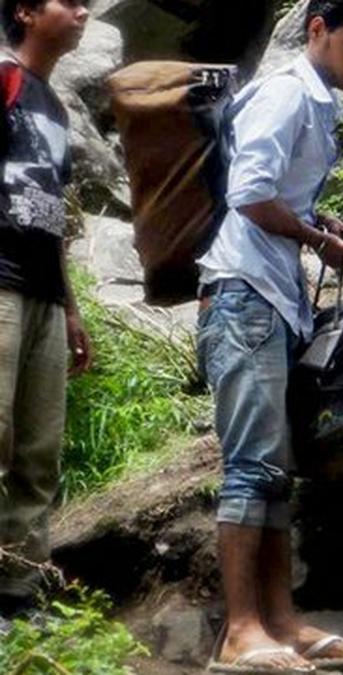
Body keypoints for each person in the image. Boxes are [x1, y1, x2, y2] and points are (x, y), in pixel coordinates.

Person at [195, 1, 343, 671]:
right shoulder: (285, 93)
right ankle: (240, 629)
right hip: (244, 293)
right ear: (316, 32)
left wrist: (321, 224)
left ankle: (280, 620)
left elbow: (280, 192)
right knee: (251, 466)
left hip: (272, 297)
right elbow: (250, 193)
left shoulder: (315, 101)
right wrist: (317, 241)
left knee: (274, 471)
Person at [0, 0, 92, 615]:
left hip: (42, 293)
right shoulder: (3, 79)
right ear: (28, 12)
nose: (84, 12)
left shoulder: (55, 106)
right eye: (71, 2)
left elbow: (54, 214)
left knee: (38, 451)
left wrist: (71, 307)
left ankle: (18, 594)